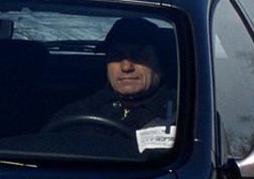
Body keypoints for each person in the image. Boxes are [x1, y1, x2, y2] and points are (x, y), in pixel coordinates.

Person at [48, 17, 176, 150]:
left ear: (160, 64)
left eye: (138, 56)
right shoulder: (76, 112)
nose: (126, 67)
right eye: (117, 56)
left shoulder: (181, 114)